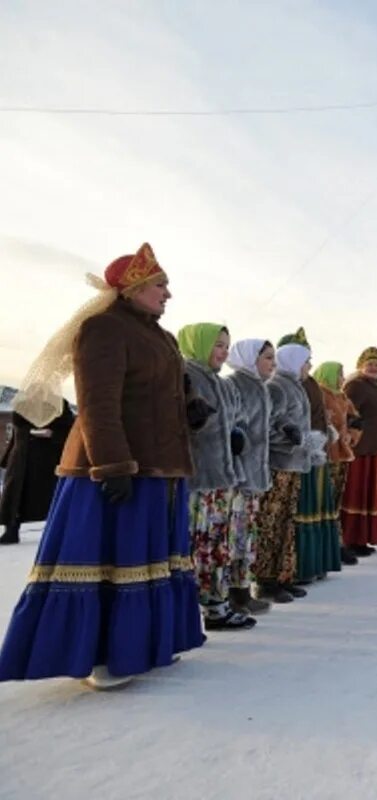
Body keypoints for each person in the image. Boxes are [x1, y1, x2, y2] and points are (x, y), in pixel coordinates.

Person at [0, 243, 205, 687]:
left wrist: (192, 408)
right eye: (160, 285)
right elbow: (97, 404)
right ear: (132, 288)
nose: (168, 293)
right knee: (109, 561)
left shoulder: (162, 337)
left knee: (146, 561)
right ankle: (100, 657)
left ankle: (145, 644)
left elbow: (163, 392)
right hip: (116, 468)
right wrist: (113, 465)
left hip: (160, 467)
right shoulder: (103, 329)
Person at [179, 323, 257, 631]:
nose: (223, 352)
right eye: (218, 345)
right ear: (199, 344)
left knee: (217, 546)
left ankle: (217, 605)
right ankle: (199, 608)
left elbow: (239, 420)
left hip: (224, 477)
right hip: (199, 479)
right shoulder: (187, 375)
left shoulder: (221, 384)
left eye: (226, 346)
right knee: (199, 546)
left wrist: (239, 436)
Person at [256, 341, 313, 603]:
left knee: (286, 522)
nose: (309, 367)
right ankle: (266, 579)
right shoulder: (277, 386)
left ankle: (283, 575)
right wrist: (286, 436)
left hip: (293, 464)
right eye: (305, 361)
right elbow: (268, 425)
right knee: (272, 522)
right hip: (279, 463)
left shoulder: (295, 386)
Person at [224, 338, 277, 613]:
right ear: (250, 358)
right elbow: (231, 424)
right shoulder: (235, 384)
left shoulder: (261, 387)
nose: (273, 364)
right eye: (268, 357)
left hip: (255, 472)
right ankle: (232, 593)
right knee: (234, 535)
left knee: (247, 535)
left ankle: (243, 589)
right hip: (239, 475)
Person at [286, 333, 339, 585]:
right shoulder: (287, 385)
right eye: (304, 359)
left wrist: (326, 431)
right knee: (304, 508)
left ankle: (317, 562)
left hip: (317, 453)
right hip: (300, 456)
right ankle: (301, 567)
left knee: (317, 506)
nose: (308, 365)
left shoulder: (310, 384)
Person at [341, 347, 377, 554]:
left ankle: (364, 537)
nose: (374, 368)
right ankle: (352, 538)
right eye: (370, 364)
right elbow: (347, 412)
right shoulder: (355, 386)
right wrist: (352, 435)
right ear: (360, 365)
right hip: (362, 449)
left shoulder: (376, 388)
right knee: (358, 492)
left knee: (371, 494)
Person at [0, 401, 73, 546]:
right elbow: (17, 427)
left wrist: (53, 434)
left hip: (47, 457)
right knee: (15, 494)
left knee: (48, 495)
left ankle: (55, 532)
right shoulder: (22, 403)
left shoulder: (58, 404)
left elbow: (67, 428)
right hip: (22, 455)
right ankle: (11, 529)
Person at [313, 361, 364, 564]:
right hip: (325, 455)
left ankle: (337, 543)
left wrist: (352, 436)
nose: (342, 379)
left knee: (336, 502)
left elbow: (355, 419)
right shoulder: (320, 394)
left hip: (342, 454)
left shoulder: (342, 396)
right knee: (323, 502)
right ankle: (326, 546)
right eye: (339, 375)